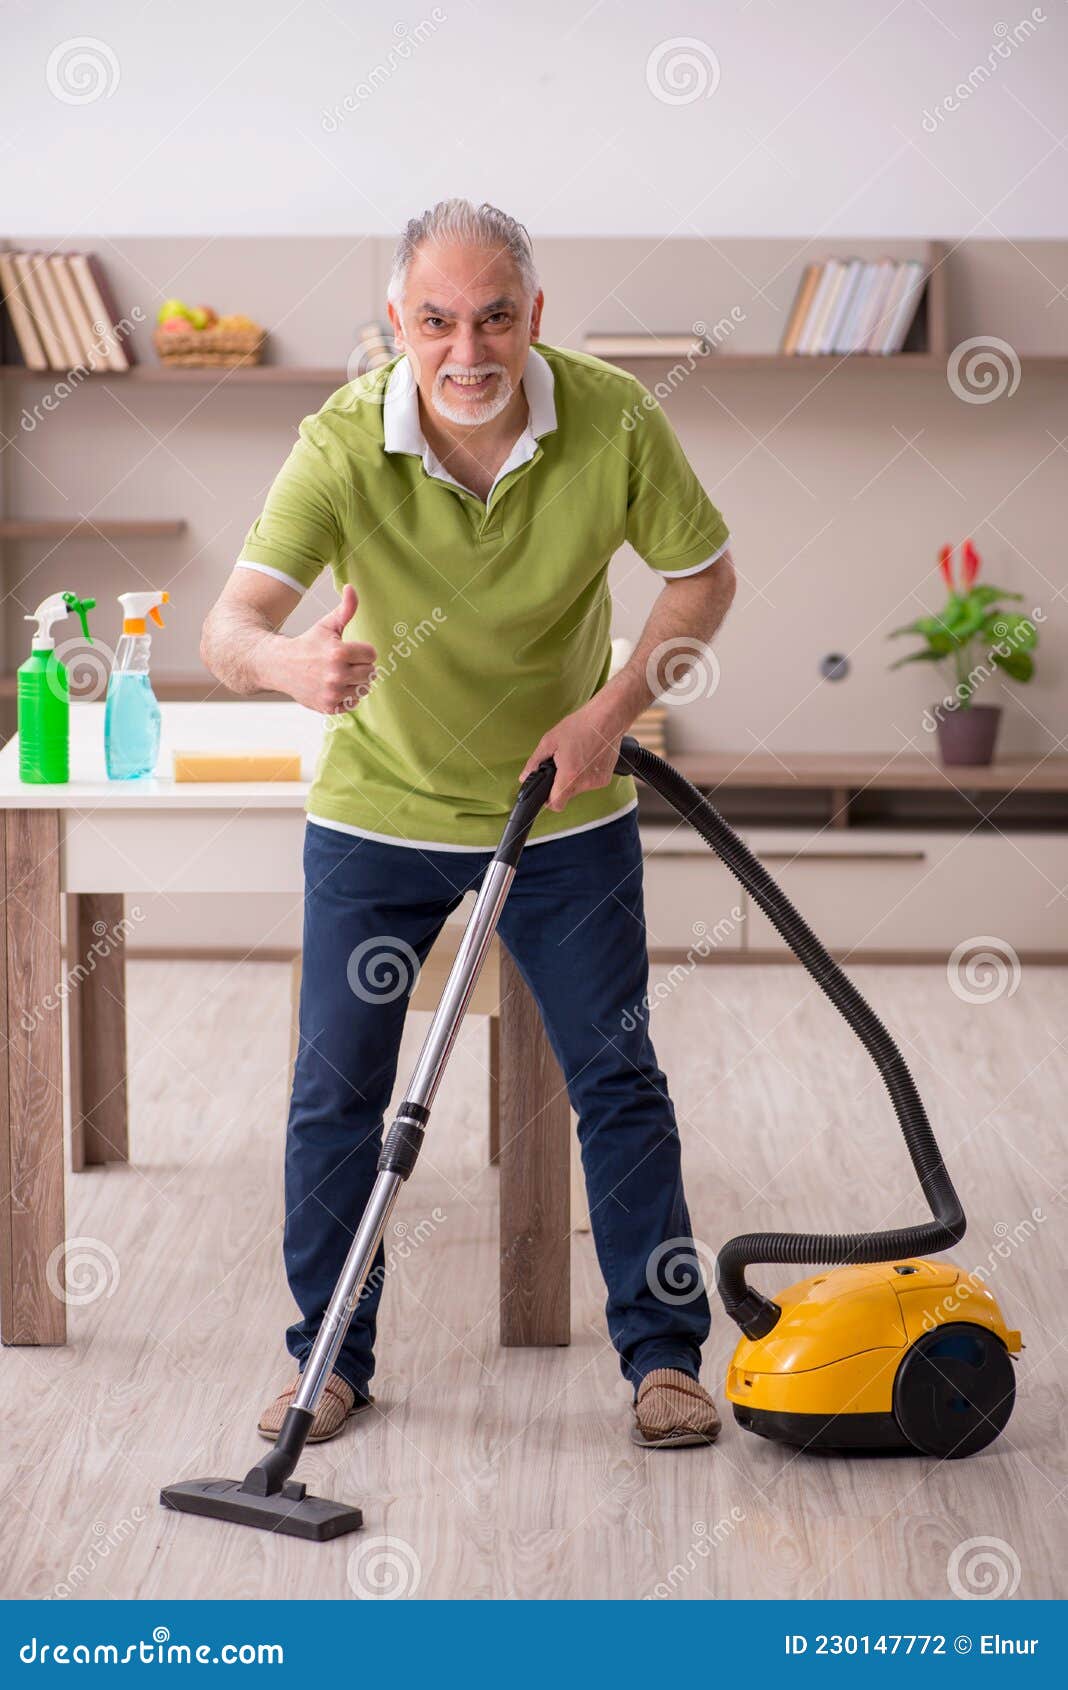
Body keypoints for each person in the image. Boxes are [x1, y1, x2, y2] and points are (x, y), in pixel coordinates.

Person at [200, 197, 736, 1450]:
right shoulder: (341, 443)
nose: (468, 350)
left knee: (616, 1076)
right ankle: (329, 1361)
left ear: (534, 314)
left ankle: (664, 1358)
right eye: (436, 321)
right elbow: (228, 628)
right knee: (337, 1091)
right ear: (397, 321)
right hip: (378, 816)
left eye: (495, 318)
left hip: (563, 809)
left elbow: (704, 576)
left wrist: (608, 715)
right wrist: (287, 666)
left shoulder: (613, 418)